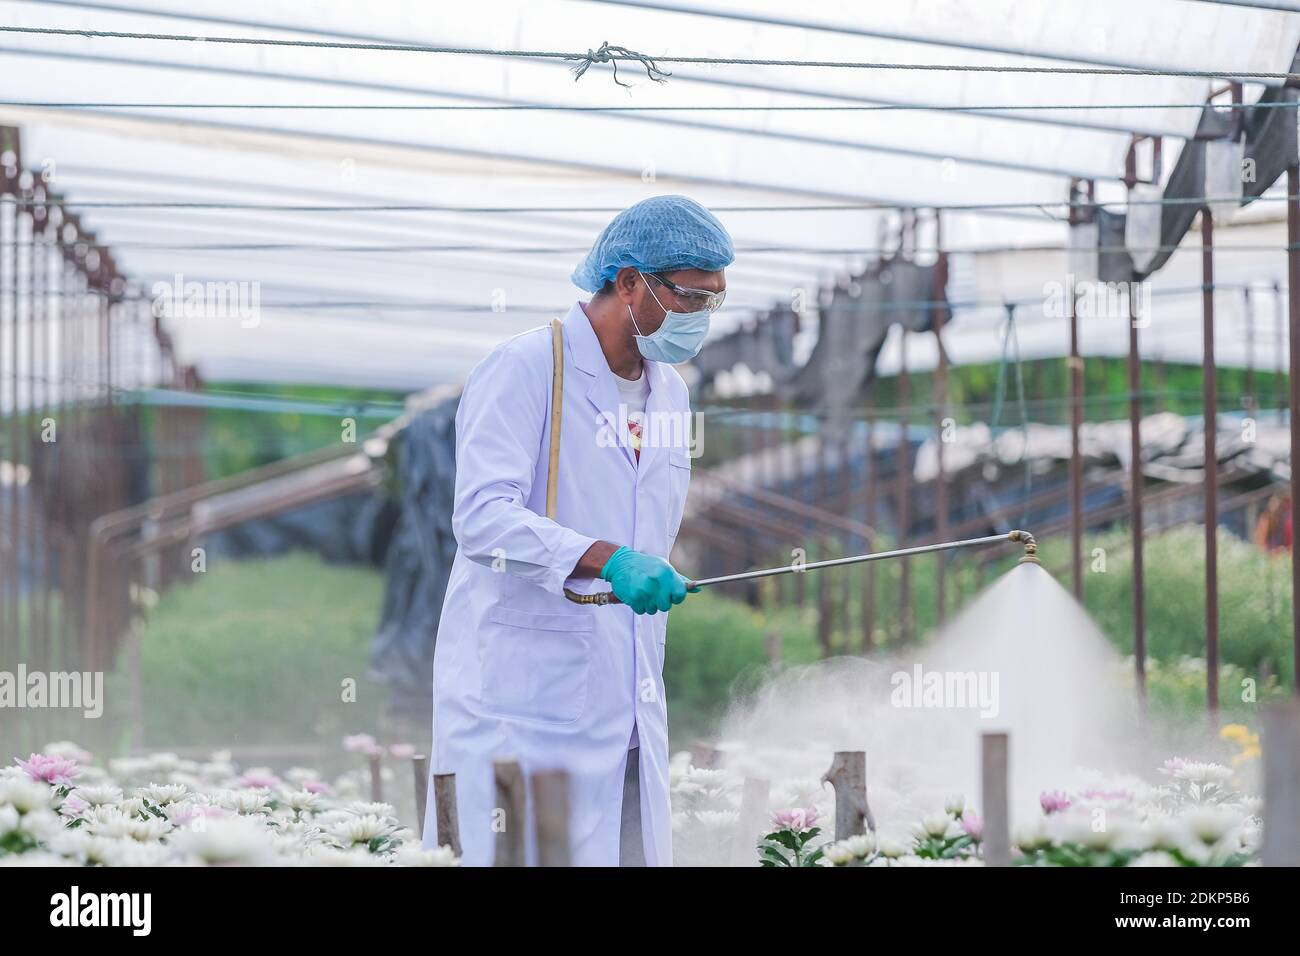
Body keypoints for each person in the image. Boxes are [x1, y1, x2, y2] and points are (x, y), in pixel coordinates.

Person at [421, 195, 733, 866]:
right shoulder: (526, 367)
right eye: (691, 299)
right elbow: (482, 520)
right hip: (524, 706)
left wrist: (641, 564)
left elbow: (642, 515)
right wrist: (609, 560)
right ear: (628, 283)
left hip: (627, 703)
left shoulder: (671, 392)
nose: (703, 320)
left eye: (715, 302)